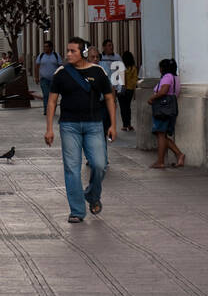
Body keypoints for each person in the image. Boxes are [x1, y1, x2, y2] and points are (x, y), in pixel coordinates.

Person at [45, 38, 116, 222]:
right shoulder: (61, 73)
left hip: (94, 125)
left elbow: (109, 98)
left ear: (83, 53)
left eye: (73, 51)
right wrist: (49, 129)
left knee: (99, 165)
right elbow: (52, 101)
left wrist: (113, 125)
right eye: (67, 51)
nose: (68, 54)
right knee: (72, 169)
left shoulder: (97, 72)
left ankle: (92, 195)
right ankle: (77, 211)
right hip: (69, 126)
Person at [149, 58, 185, 169]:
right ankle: (179, 155)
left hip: (162, 109)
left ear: (163, 68)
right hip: (170, 108)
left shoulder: (167, 77)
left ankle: (161, 161)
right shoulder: (176, 78)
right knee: (162, 134)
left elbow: (164, 90)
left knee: (160, 133)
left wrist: (152, 98)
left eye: (160, 67)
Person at [35, 40, 62, 114]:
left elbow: (60, 67)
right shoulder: (41, 56)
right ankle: (47, 110)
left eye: (46, 47)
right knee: (46, 94)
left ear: (51, 47)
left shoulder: (56, 56)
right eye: (44, 47)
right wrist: (36, 77)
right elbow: (37, 67)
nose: (45, 48)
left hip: (55, 80)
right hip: (44, 79)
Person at [120, 50, 138, 131]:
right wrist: (134, 91)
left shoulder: (121, 67)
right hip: (130, 90)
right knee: (128, 107)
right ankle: (129, 124)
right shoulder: (133, 68)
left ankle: (125, 125)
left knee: (123, 108)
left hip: (122, 90)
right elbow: (135, 80)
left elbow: (120, 79)